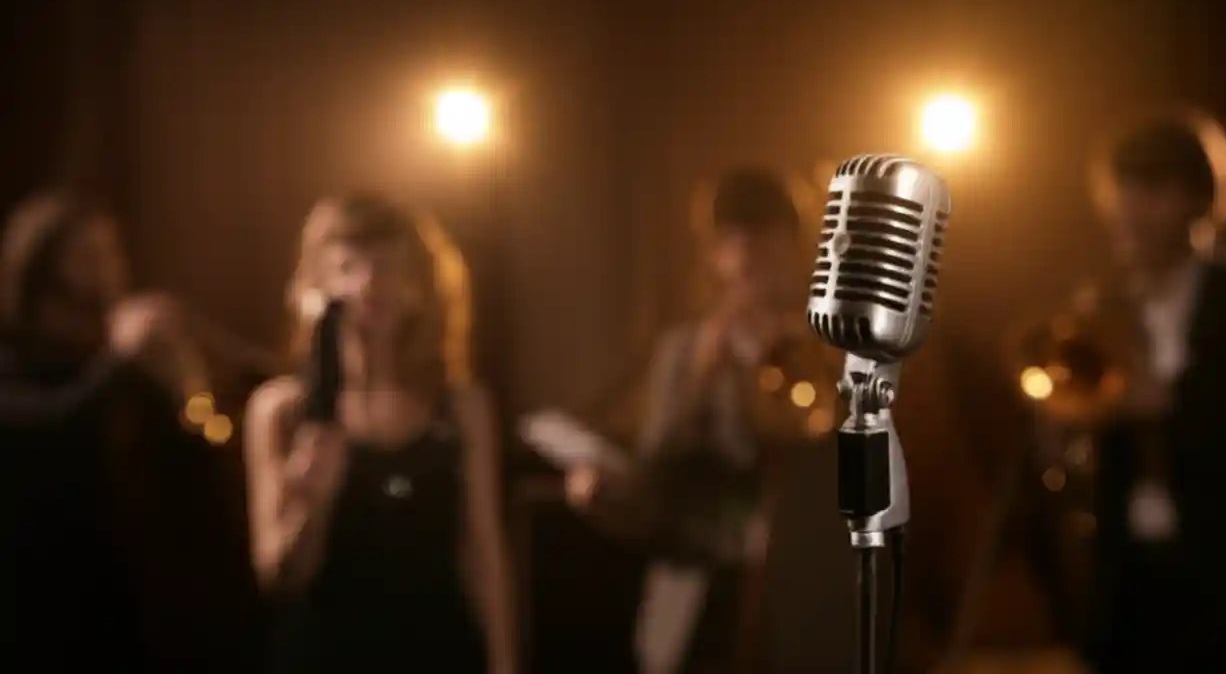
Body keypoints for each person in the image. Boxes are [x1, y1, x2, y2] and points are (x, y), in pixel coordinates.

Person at [566, 168, 837, 674]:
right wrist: (703, 374)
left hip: (807, 578)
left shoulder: (830, 342)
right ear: (716, 256)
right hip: (703, 570)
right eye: (736, 245)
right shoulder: (685, 348)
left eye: (768, 245)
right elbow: (658, 452)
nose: (751, 260)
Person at [245, 192, 517, 673]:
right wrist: (314, 498)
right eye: (349, 268)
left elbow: (482, 553)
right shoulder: (282, 412)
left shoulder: (459, 408)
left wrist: (503, 664)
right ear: (316, 286)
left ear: (419, 284)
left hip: (438, 651)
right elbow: (278, 573)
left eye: (388, 268)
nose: (371, 285)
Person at [1080, 113, 1226, 672]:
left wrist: (1172, 405)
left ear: (1199, 199)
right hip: (1134, 597)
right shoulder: (1104, 308)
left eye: (1153, 188)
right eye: (1123, 188)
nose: (1131, 207)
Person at [0, 189, 214, 670]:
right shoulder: (15, 363)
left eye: (111, 251)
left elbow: (199, 445)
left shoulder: (119, 368)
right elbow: (45, 433)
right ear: (43, 265)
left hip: (124, 607)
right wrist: (121, 360)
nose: (108, 269)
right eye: (87, 254)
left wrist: (189, 385)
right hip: (33, 607)